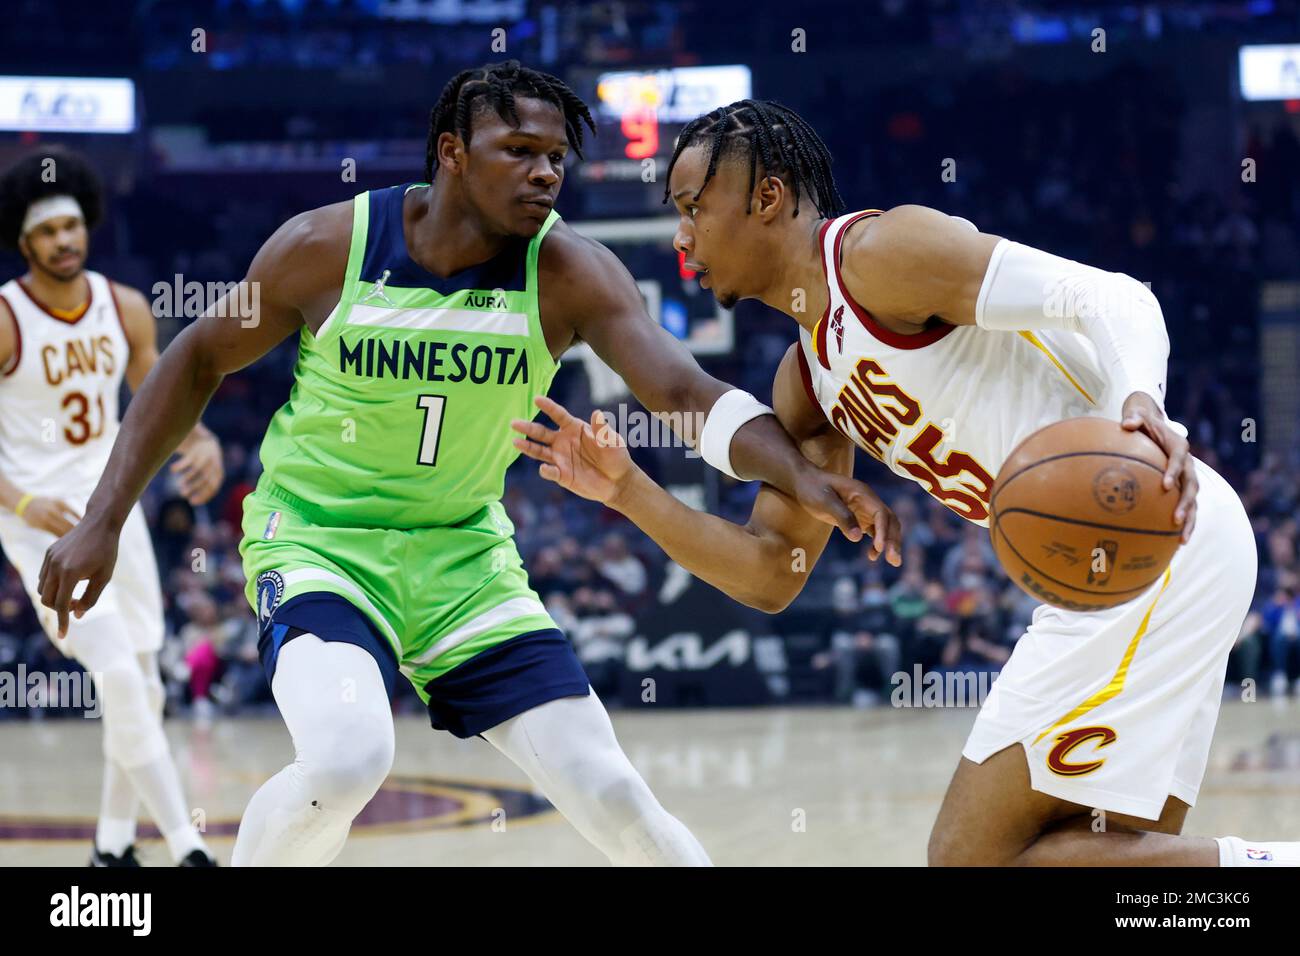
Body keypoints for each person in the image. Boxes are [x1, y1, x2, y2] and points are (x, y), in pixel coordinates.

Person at [38, 64, 894, 867]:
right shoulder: (327, 246)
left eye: (557, 157)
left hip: (466, 562)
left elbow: (678, 387)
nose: (545, 174)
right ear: (452, 152)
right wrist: (104, 521)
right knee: (347, 759)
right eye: (518, 152)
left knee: (615, 795)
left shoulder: (567, 271)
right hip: (317, 545)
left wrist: (800, 474)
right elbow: (192, 359)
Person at [512, 98, 1298, 866]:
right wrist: (626, 491)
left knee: (969, 856)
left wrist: (1138, 403)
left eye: (693, 207)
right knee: (1108, 861)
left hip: (1146, 538)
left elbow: (1114, 297)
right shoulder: (807, 381)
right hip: (1121, 566)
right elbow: (769, 574)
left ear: (768, 198)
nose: (682, 236)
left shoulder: (879, 255)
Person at [0, 147, 222, 866]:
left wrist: (204, 438)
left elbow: (162, 401)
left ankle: (112, 846)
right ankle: (187, 847)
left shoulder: (123, 307)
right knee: (117, 674)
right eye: (46, 232)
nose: (64, 241)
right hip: (40, 526)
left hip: (112, 514)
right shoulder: (6, 319)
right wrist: (25, 502)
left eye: (71, 226)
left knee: (145, 684)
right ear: (24, 242)